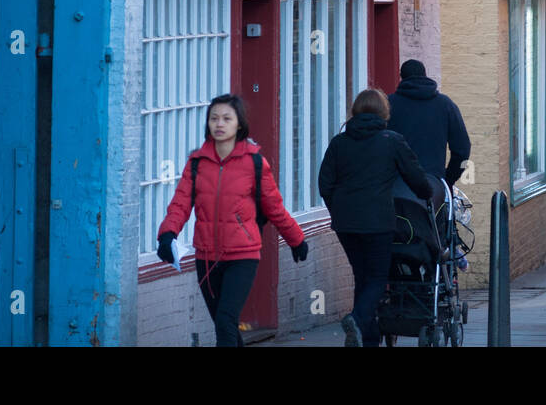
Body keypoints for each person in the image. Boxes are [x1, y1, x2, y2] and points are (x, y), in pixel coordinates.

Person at [156, 94, 308, 347]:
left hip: (242, 255)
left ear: (239, 124)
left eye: (227, 118)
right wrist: (167, 235)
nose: (219, 124)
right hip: (206, 256)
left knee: (226, 320)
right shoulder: (196, 163)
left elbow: (274, 207)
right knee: (223, 324)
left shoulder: (255, 163)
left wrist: (296, 239)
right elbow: (180, 204)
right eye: (214, 118)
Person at [319, 88, 433, 347]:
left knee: (362, 276)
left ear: (355, 111)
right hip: (378, 221)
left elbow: (324, 183)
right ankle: (357, 320)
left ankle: (367, 339)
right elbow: (415, 177)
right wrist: (426, 193)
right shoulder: (391, 140)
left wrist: (337, 209)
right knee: (378, 279)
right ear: (384, 112)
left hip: (346, 223)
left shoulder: (339, 143)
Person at [387, 59, 471, 186]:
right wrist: (448, 179)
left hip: (395, 185)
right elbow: (463, 149)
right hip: (433, 183)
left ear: (401, 77)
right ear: (425, 75)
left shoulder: (388, 104)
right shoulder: (445, 104)